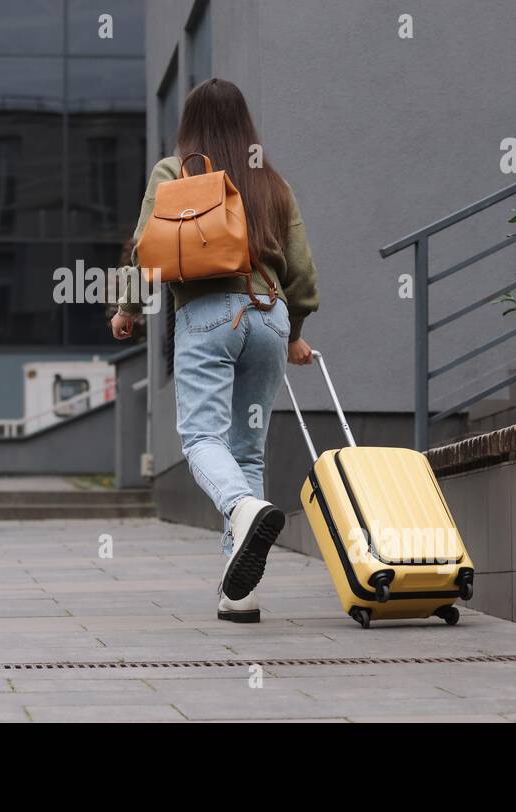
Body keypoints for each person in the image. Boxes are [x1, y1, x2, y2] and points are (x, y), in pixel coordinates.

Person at [111, 78, 319, 623]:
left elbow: (145, 248)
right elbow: (300, 271)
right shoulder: (272, 182)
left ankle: (242, 507)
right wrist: (294, 332)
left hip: (208, 315)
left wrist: (129, 309)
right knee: (246, 450)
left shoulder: (174, 172)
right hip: (270, 316)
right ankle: (239, 593)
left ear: (190, 126)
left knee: (202, 436)